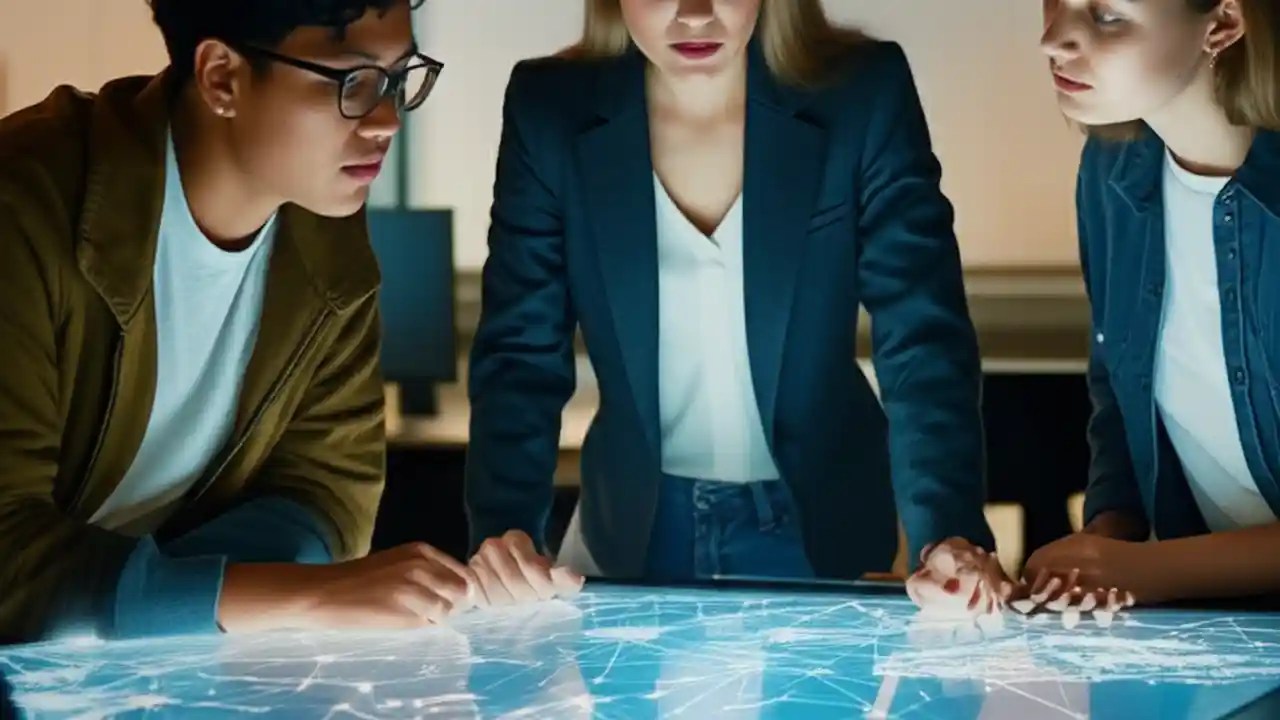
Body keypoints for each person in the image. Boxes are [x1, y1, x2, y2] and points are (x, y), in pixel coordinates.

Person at [464, 0, 1005, 613]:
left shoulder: (861, 92)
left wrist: (947, 534)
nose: (695, 14)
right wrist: (502, 535)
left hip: (822, 523)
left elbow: (922, 335)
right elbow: (520, 353)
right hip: (633, 527)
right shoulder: (550, 109)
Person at [0, 0, 476, 643]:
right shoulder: (26, 204)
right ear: (222, 76)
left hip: (126, 667)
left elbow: (329, 491)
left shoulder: (326, 233)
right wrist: (293, 597)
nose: (387, 120)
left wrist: (191, 598)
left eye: (396, 78)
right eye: (351, 83)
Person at [1024, 0, 1280, 612]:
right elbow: (1118, 389)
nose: (1053, 40)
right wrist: (1106, 537)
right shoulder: (1110, 172)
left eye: (1107, 16)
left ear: (1222, 23)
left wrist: (1146, 570)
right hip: (1216, 633)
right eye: (1055, 1)